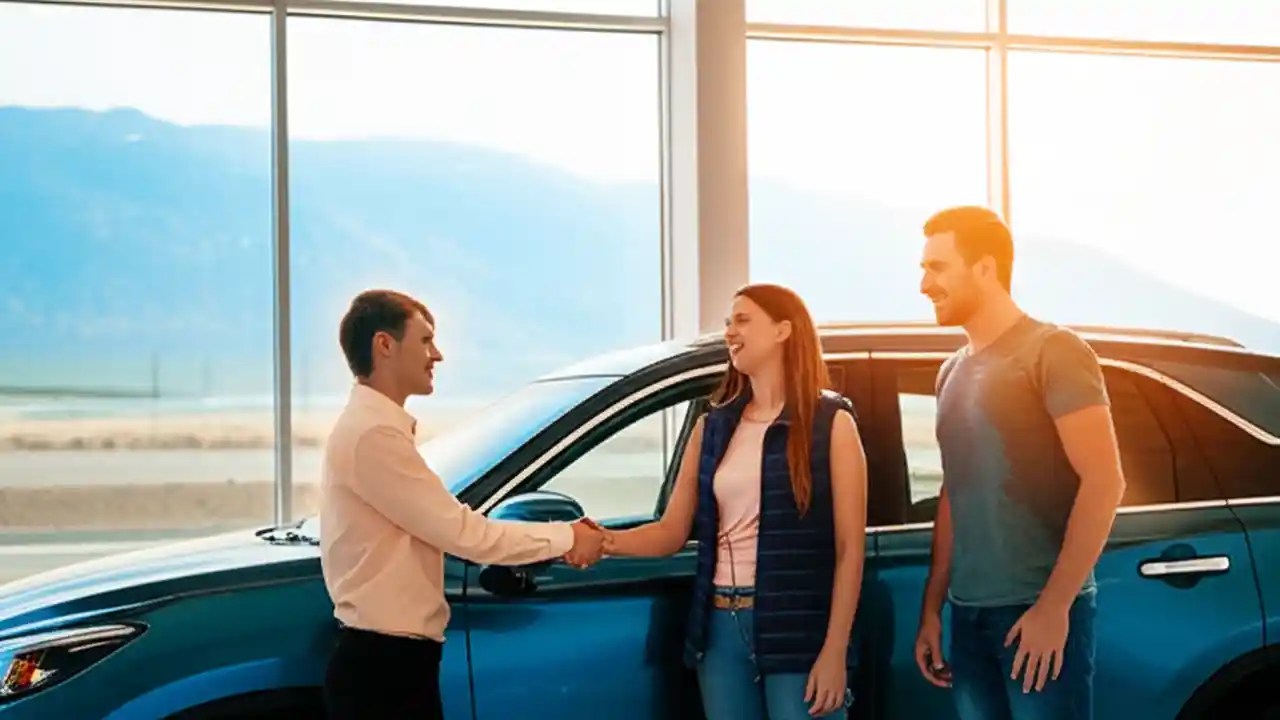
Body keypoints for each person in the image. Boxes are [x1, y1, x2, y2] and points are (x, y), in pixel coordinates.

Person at [319, 289, 604, 720]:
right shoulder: (373, 436)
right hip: (385, 672)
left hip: (392, 664)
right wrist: (567, 536)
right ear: (385, 345)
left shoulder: (372, 429)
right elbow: (465, 534)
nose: (437, 355)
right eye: (425, 340)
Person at [597, 283, 868, 720]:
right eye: (728, 322)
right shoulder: (713, 427)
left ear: (782, 330)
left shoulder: (831, 424)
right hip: (720, 628)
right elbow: (670, 532)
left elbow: (850, 550)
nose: (729, 332)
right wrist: (600, 541)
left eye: (742, 320)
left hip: (798, 630)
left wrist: (835, 651)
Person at [912, 206, 1126, 720]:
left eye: (938, 267)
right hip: (968, 616)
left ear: (985, 268)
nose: (924, 285)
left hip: (1035, 610)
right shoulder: (949, 372)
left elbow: (1105, 481)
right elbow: (955, 491)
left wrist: (1054, 608)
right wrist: (932, 608)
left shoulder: (1054, 351)